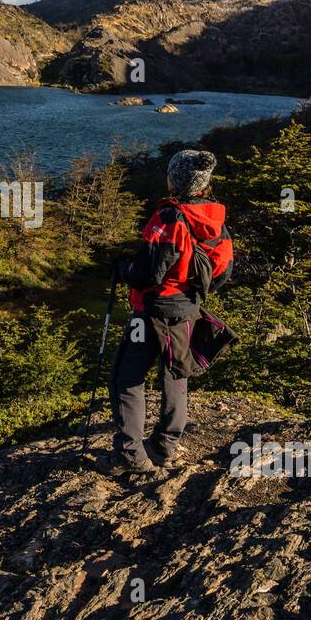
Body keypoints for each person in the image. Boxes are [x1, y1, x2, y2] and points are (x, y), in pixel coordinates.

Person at [101, 149, 233, 475]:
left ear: (175, 180)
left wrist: (123, 268)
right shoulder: (214, 219)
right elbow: (222, 271)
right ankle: (164, 447)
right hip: (188, 311)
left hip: (152, 312)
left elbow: (148, 274)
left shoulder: (169, 219)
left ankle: (131, 457)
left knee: (126, 377)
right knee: (175, 374)